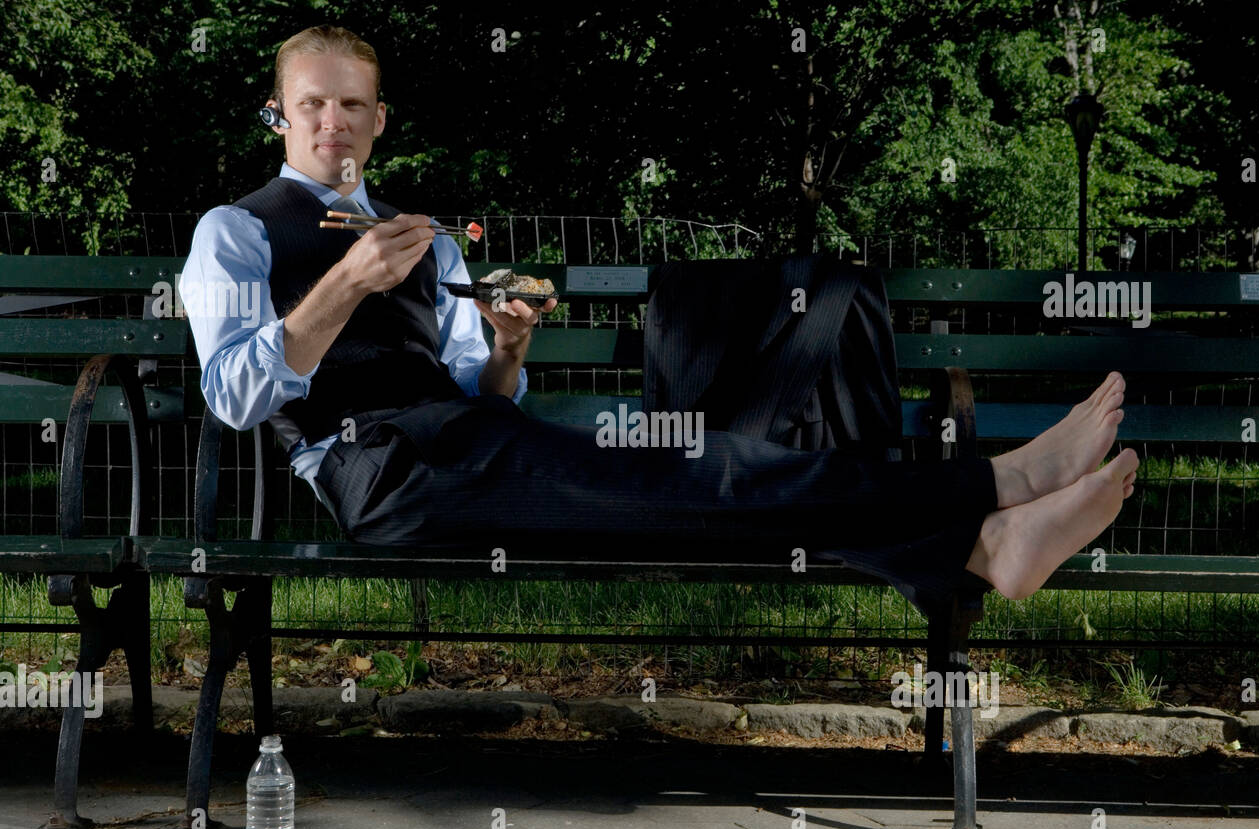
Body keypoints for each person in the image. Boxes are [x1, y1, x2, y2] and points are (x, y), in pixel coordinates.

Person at [183, 24, 1140, 606]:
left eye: (352, 105)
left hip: (474, 444)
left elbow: (482, 391)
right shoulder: (237, 234)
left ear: (380, 117)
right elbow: (231, 395)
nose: (332, 124)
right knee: (706, 468)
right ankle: (997, 487)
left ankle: (981, 546)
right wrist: (345, 284)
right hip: (378, 476)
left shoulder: (425, 237)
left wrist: (510, 352)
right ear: (278, 114)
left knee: (696, 483)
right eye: (312, 105)